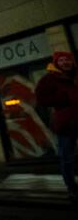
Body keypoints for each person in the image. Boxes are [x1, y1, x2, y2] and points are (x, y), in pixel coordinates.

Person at [36, 50, 78, 198]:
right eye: (61, 61)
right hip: (65, 124)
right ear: (56, 63)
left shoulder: (75, 76)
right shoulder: (49, 79)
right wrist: (61, 100)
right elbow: (40, 98)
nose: (65, 63)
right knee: (67, 157)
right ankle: (71, 187)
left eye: (68, 60)